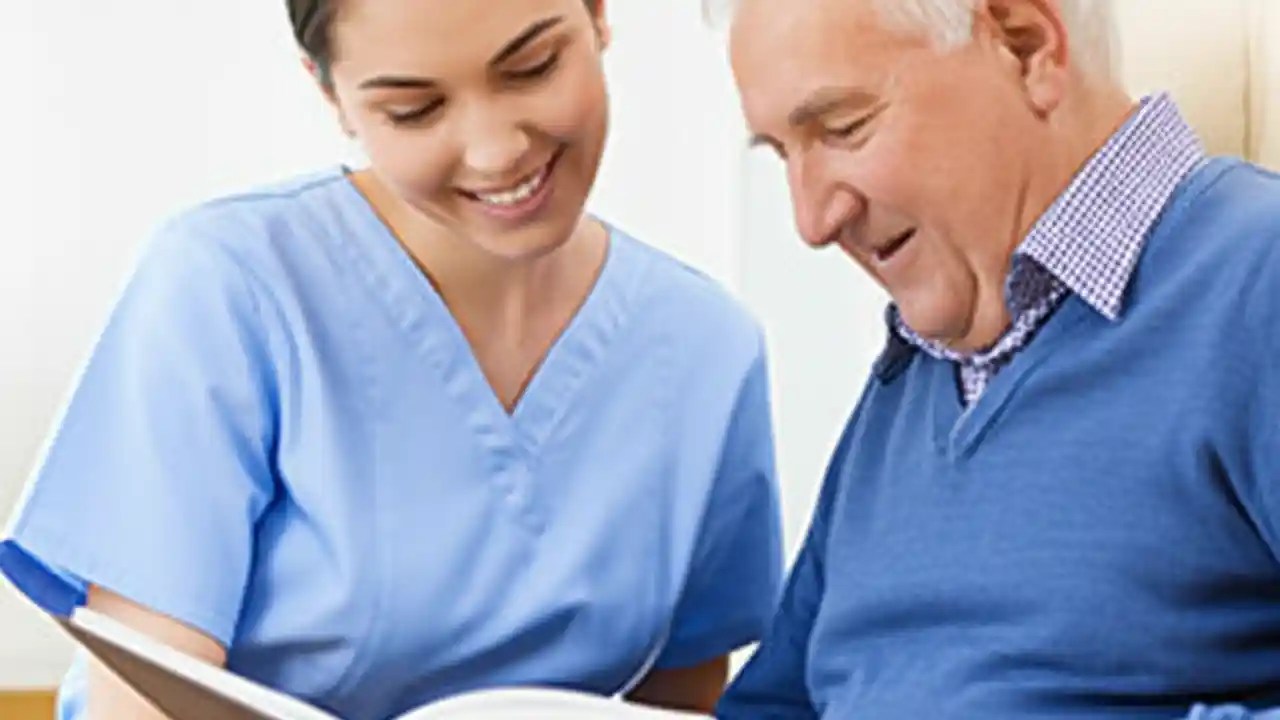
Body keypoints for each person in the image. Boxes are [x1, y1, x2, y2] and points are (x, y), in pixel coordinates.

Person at [0, 1, 785, 718]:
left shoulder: (704, 348)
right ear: (331, 95)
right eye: (414, 110)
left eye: (533, 67)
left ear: (599, 17)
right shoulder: (229, 288)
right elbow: (142, 699)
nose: (495, 151)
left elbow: (676, 703)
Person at [714, 0, 1280, 717]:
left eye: (843, 128)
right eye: (783, 154)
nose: (813, 222)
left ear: (1025, 46)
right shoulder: (915, 377)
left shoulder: (1257, 283)